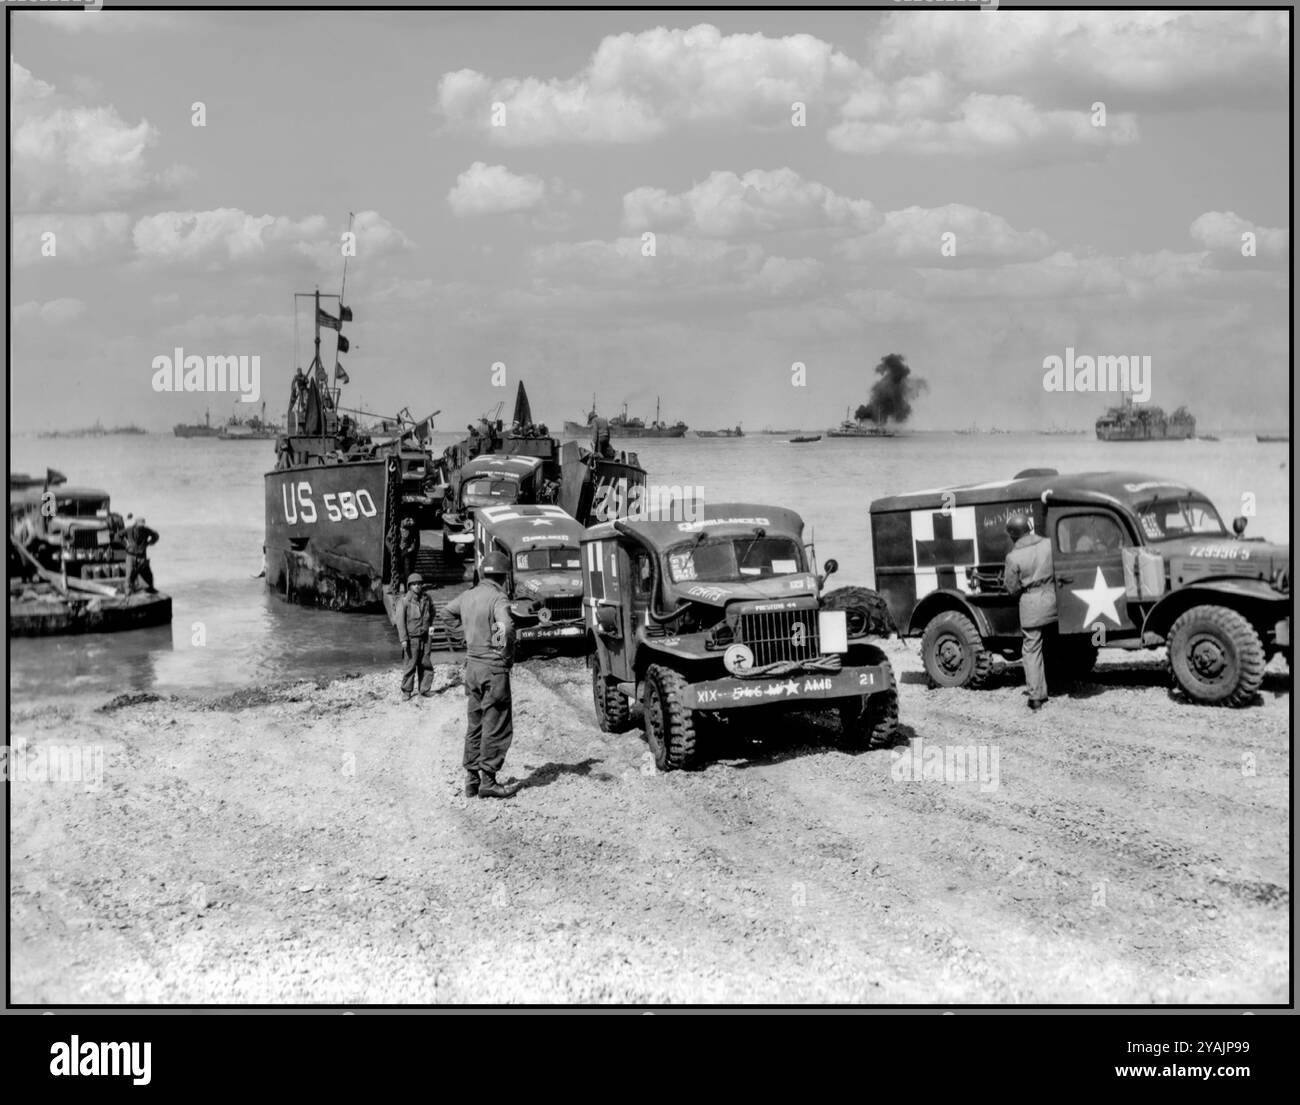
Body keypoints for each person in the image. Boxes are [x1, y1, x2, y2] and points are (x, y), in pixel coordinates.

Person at [441, 551, 516, 799]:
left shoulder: (468, 595)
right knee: (496, 723)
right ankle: (489, 781)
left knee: (475, 723)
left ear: (484, 573)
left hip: (472, 667)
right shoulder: (498, 598)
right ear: (504, 576)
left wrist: (465, 636)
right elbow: (505, 626)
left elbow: (446, 614)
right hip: (493, 668)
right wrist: (501, 651)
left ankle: (471, 780)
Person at [1002, 512, 1057, 710]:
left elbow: (1012, 587)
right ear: (1029, 528)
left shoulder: (1012, 557)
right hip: (1054, 601)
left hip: (1031, 606)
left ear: (1013, 535)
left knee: (1031, 649)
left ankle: (1036, 697)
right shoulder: (1048, 544)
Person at [394, 573, 435, 700]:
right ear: (409, 586)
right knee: (410, 665)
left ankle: (424, 689)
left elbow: (432, 612)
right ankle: (407, 690)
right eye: (414, 584)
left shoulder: (426, 599)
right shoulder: (404, 601)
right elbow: (400, 621)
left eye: (419, 584)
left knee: (426, 664)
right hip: (412, 639)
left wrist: (429, 627)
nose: (417, 586)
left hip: (425, 637)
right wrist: (403, 639)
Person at [122, 515, 160, 593]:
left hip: (142, 556)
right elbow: (118, 536)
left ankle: (150, 588)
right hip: (130, 555)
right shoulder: (129, 530)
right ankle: (127, 590)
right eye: (139, 525)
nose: (141, 527)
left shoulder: (146, 530)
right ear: (135, 524)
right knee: (129, 574)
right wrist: (126, 544)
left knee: (148, 573)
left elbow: (156, 535)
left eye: (142, 525)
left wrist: (150, 542)